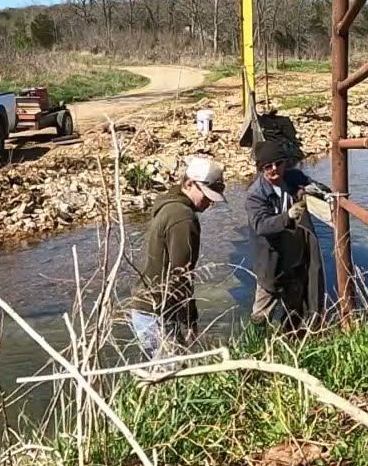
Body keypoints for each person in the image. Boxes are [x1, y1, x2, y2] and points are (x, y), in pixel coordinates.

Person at [126, 155, 225, 362]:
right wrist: (190, 322)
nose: (209, 203)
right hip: (156, 312)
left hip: (147, 308)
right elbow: (182, 275)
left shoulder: (168, 205)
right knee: (172, 374)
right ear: (189, 183)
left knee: (162, 372)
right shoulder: (182, 217)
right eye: (206, 195)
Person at [245, 139, 333, 331]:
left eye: (279, 163)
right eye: (268, 166)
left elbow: (312, 185)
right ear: (261, 169)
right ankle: (256, 345)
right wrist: (288, 216)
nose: (275, 169)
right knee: (262, 313)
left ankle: (291, 339)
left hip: (293, 260)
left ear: (285, 162)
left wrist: (316, 191)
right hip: (270, 263)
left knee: (295, 307)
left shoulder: (291, 177)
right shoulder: (255, 195)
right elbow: (261, 225)